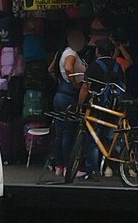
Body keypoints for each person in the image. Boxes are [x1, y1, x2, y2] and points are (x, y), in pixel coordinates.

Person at [78, 36, 125, 180]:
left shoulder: (94, 66)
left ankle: (92, 171)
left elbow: (85, 88)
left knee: (93, 139)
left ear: (98, 51)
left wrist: (79, 104)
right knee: (111, 137)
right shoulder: (117, 66)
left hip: (97, 107)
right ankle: (114, 168)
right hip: (114, 107)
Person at [50, 29, 87, 179]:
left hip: (60, 93)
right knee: (68, 133)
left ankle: (59, 165)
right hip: (69, 95)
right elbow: (68, 68)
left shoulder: (61, 53)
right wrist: (74, 83)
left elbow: (51, 69)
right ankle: (68, 167)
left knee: (60, 132)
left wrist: (60, 81)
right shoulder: (71, 53)